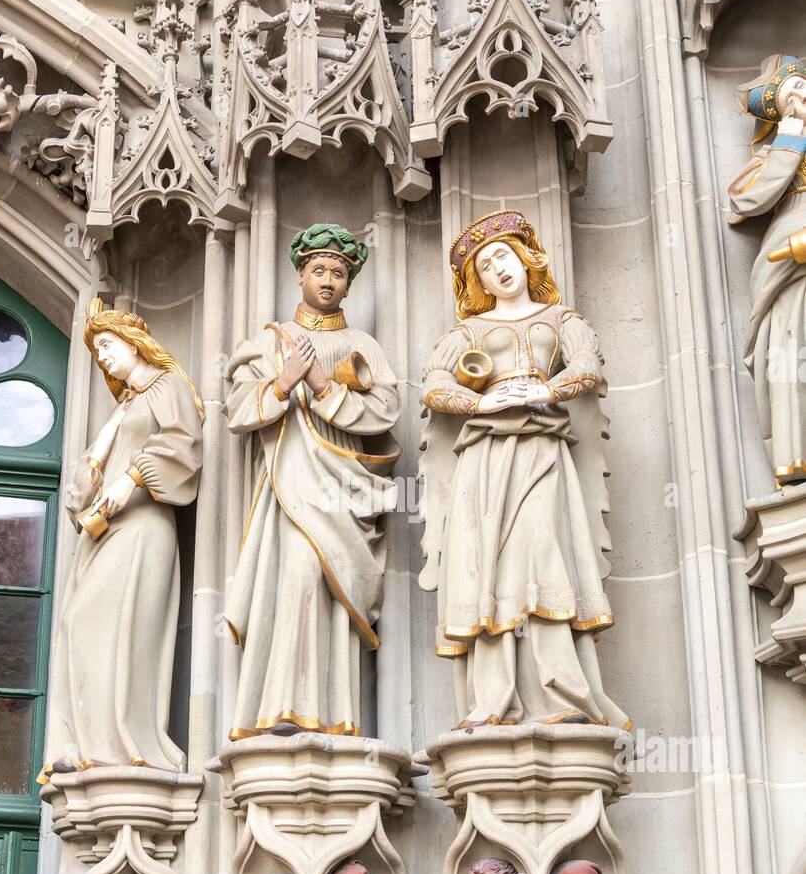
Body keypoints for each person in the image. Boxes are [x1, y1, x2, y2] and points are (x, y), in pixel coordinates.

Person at [419, 209, 628, 730]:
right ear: (479, 282)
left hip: (541, 449)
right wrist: (481, 405)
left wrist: (546, 389)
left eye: (503, 256)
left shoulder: (561, 320)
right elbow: (434, 387)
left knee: (542, 553)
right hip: (485, 460)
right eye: (486, 266)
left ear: (524, 257)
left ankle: (561, 693)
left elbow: (587, 366)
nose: (498, 269)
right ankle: (493, 700)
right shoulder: (468, 331)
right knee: (485, 563)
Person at [223, 221, 400, 740]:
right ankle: (282, 705)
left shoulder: (361, 343)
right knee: (297, 575)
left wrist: (323, 388)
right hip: (291, 484)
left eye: (339, 273)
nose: (328, 280)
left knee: (331, 585)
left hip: (342, 485)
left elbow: (385, 410)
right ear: (300, 277)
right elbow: (237, 411)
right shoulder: (271, 340)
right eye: (318, 270)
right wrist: (282, 383)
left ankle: (333, 713)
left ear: (349, 285)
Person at [40, 298, 203, 781]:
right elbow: (79, 489)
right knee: (75, 623)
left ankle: (125, 747)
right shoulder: (126, 406)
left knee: (113, 624)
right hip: (104, 531)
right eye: (97, 352)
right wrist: (103, 451)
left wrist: (130, 479)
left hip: (143, 525)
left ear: (136, 345)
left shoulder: (168, 387)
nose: (103, 357)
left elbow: (183, 446)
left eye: (109, 345)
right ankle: (85, 745)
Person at [730, 54, 806, 486]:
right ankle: (795, 458)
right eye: (789, 95)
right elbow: (747, 200)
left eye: (801, 85)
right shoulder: (775, 154)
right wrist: (791, 139)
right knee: (791, 343)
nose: (800, 96)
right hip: (791, 264)